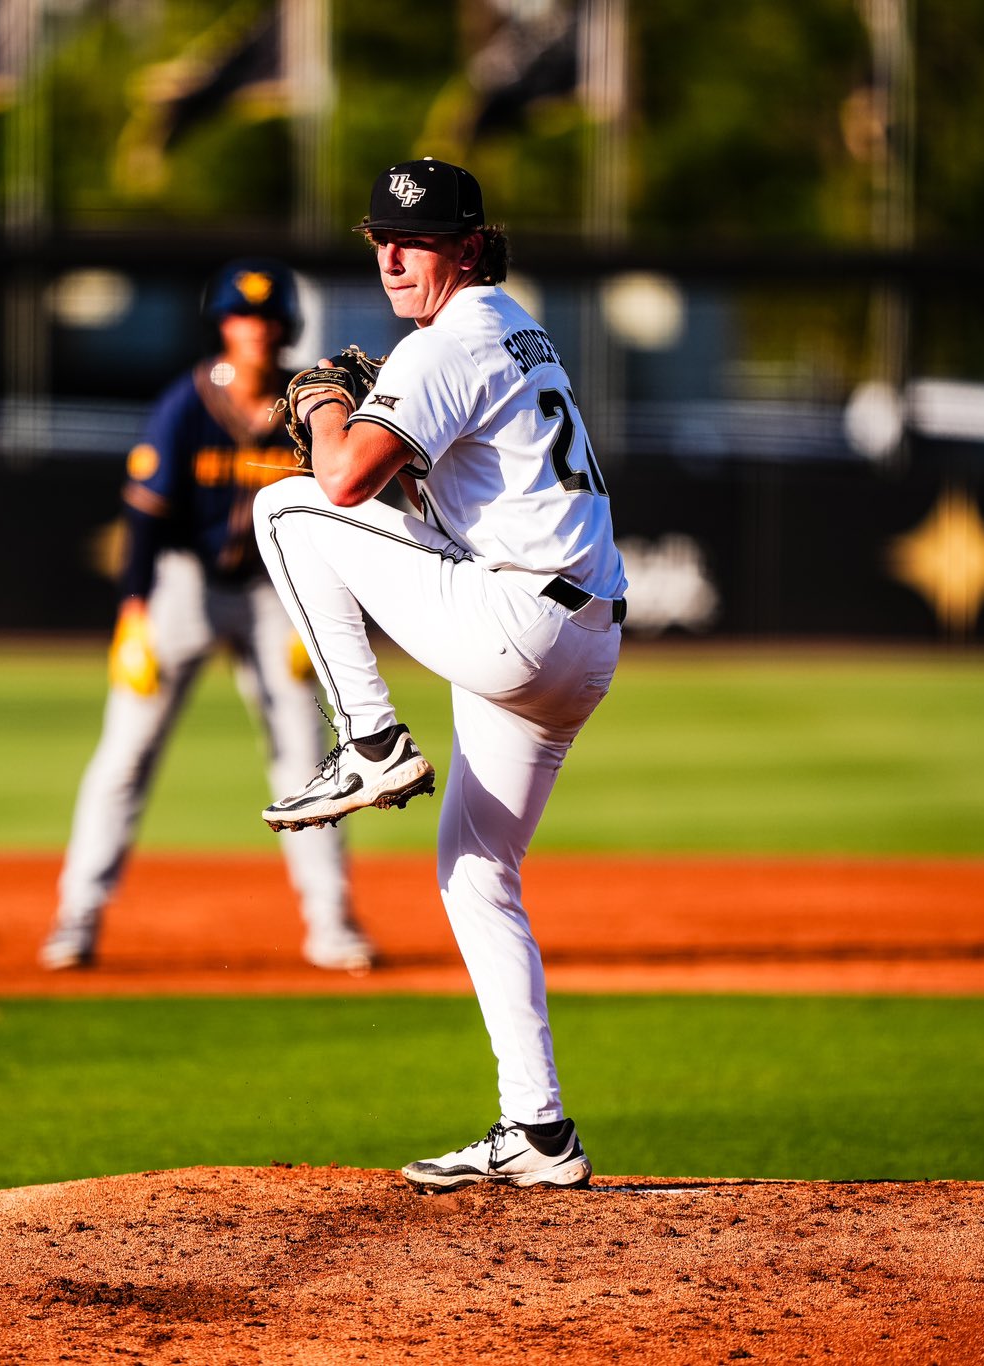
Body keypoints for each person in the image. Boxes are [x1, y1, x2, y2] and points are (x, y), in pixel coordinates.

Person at [252, 159, 627, 1190]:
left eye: (412, 239)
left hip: (514, 620)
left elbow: (341, 474)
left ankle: (368, 740)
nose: (390, 255)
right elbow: (441, 488)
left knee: (283, 508)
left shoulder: (446, 338)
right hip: (578, 638)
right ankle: (537, 1132)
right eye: (378, 237)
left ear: (467, 246)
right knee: (473, 871)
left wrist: (328, 400)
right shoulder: (512, 323)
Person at [43, 260, 375, 975]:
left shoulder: (310, 404)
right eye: (240, 316)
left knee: (309, 758)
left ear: (285, 327)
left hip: (276, 594)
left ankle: (332, 920)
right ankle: (78, 916)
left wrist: (326, 606)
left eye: (266, 317)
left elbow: (348, 514)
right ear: (222, 325)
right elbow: (144, 519)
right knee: (127, 751)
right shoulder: (187, 404)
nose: (254, 329)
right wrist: (133, 615)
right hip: (185, 586)